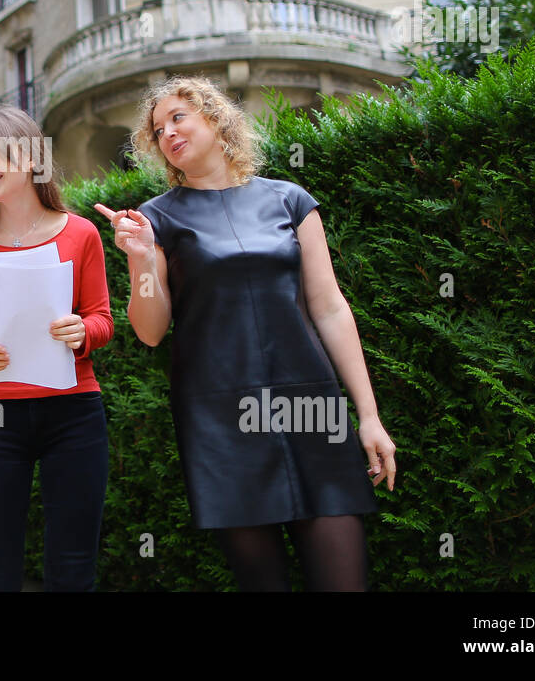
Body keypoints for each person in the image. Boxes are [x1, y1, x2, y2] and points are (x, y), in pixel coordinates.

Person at [96, 75, 397, 592]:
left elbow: (329, 308)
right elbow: (149, 332)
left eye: (178, 117)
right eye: (157, 128)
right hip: (219, 417)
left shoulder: (290, 200)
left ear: (216, 119)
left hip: (311, 407)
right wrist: (142, 259)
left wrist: (368, 417)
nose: (167, 132)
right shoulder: (155, 219)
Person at [0, 106, 113, 591]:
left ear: (30, 154)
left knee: (73, 565)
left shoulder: (81, 233)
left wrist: (83, 331)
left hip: (74, 410)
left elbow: (103, 318)